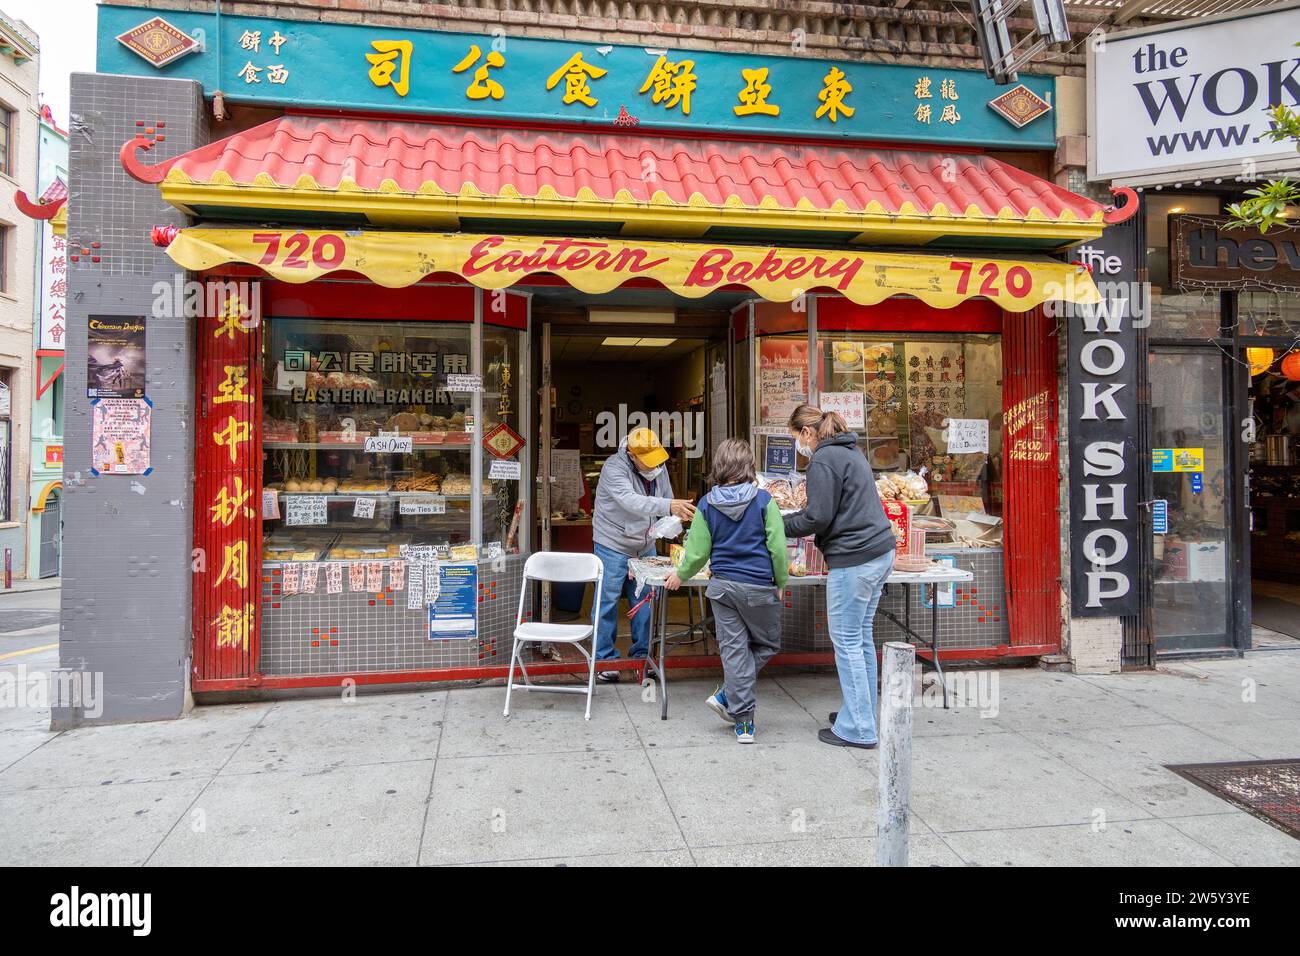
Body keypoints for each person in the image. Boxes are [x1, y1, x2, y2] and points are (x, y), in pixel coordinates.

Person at [783, 404, 896, 749]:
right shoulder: (849, 450)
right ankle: (859, 712)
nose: (798, 448)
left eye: (795, 438)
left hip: (855, 558)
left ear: (806, 432)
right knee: (860, 638)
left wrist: (775, 523)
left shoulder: (823, 460)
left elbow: (817, 517)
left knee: (847, 641)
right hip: (879, 551)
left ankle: (858, 728)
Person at [666, 438, 788, 744]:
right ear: (748, 466)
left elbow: (697, 552)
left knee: (735, 655)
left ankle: (743, 721)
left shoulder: (707, 504)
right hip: (759, 587)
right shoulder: (764, 501)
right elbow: (777, 549)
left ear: (719, 466)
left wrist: (680, 575)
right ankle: (727, 696)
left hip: (721, 589)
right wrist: (781, 581)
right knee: (768, 645)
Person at [591, 426, 697, 681]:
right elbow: (630, 501)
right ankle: (604, 660)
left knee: (646, 603)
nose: (653, 467)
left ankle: (642, 656)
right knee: (607, 602)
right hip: (612, 543)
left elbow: (667, 501)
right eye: (646, 461)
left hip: (645, 543)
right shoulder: (613, 468)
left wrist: (675, 518)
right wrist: (668, 505)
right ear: (631, 454)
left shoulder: (658, 467)